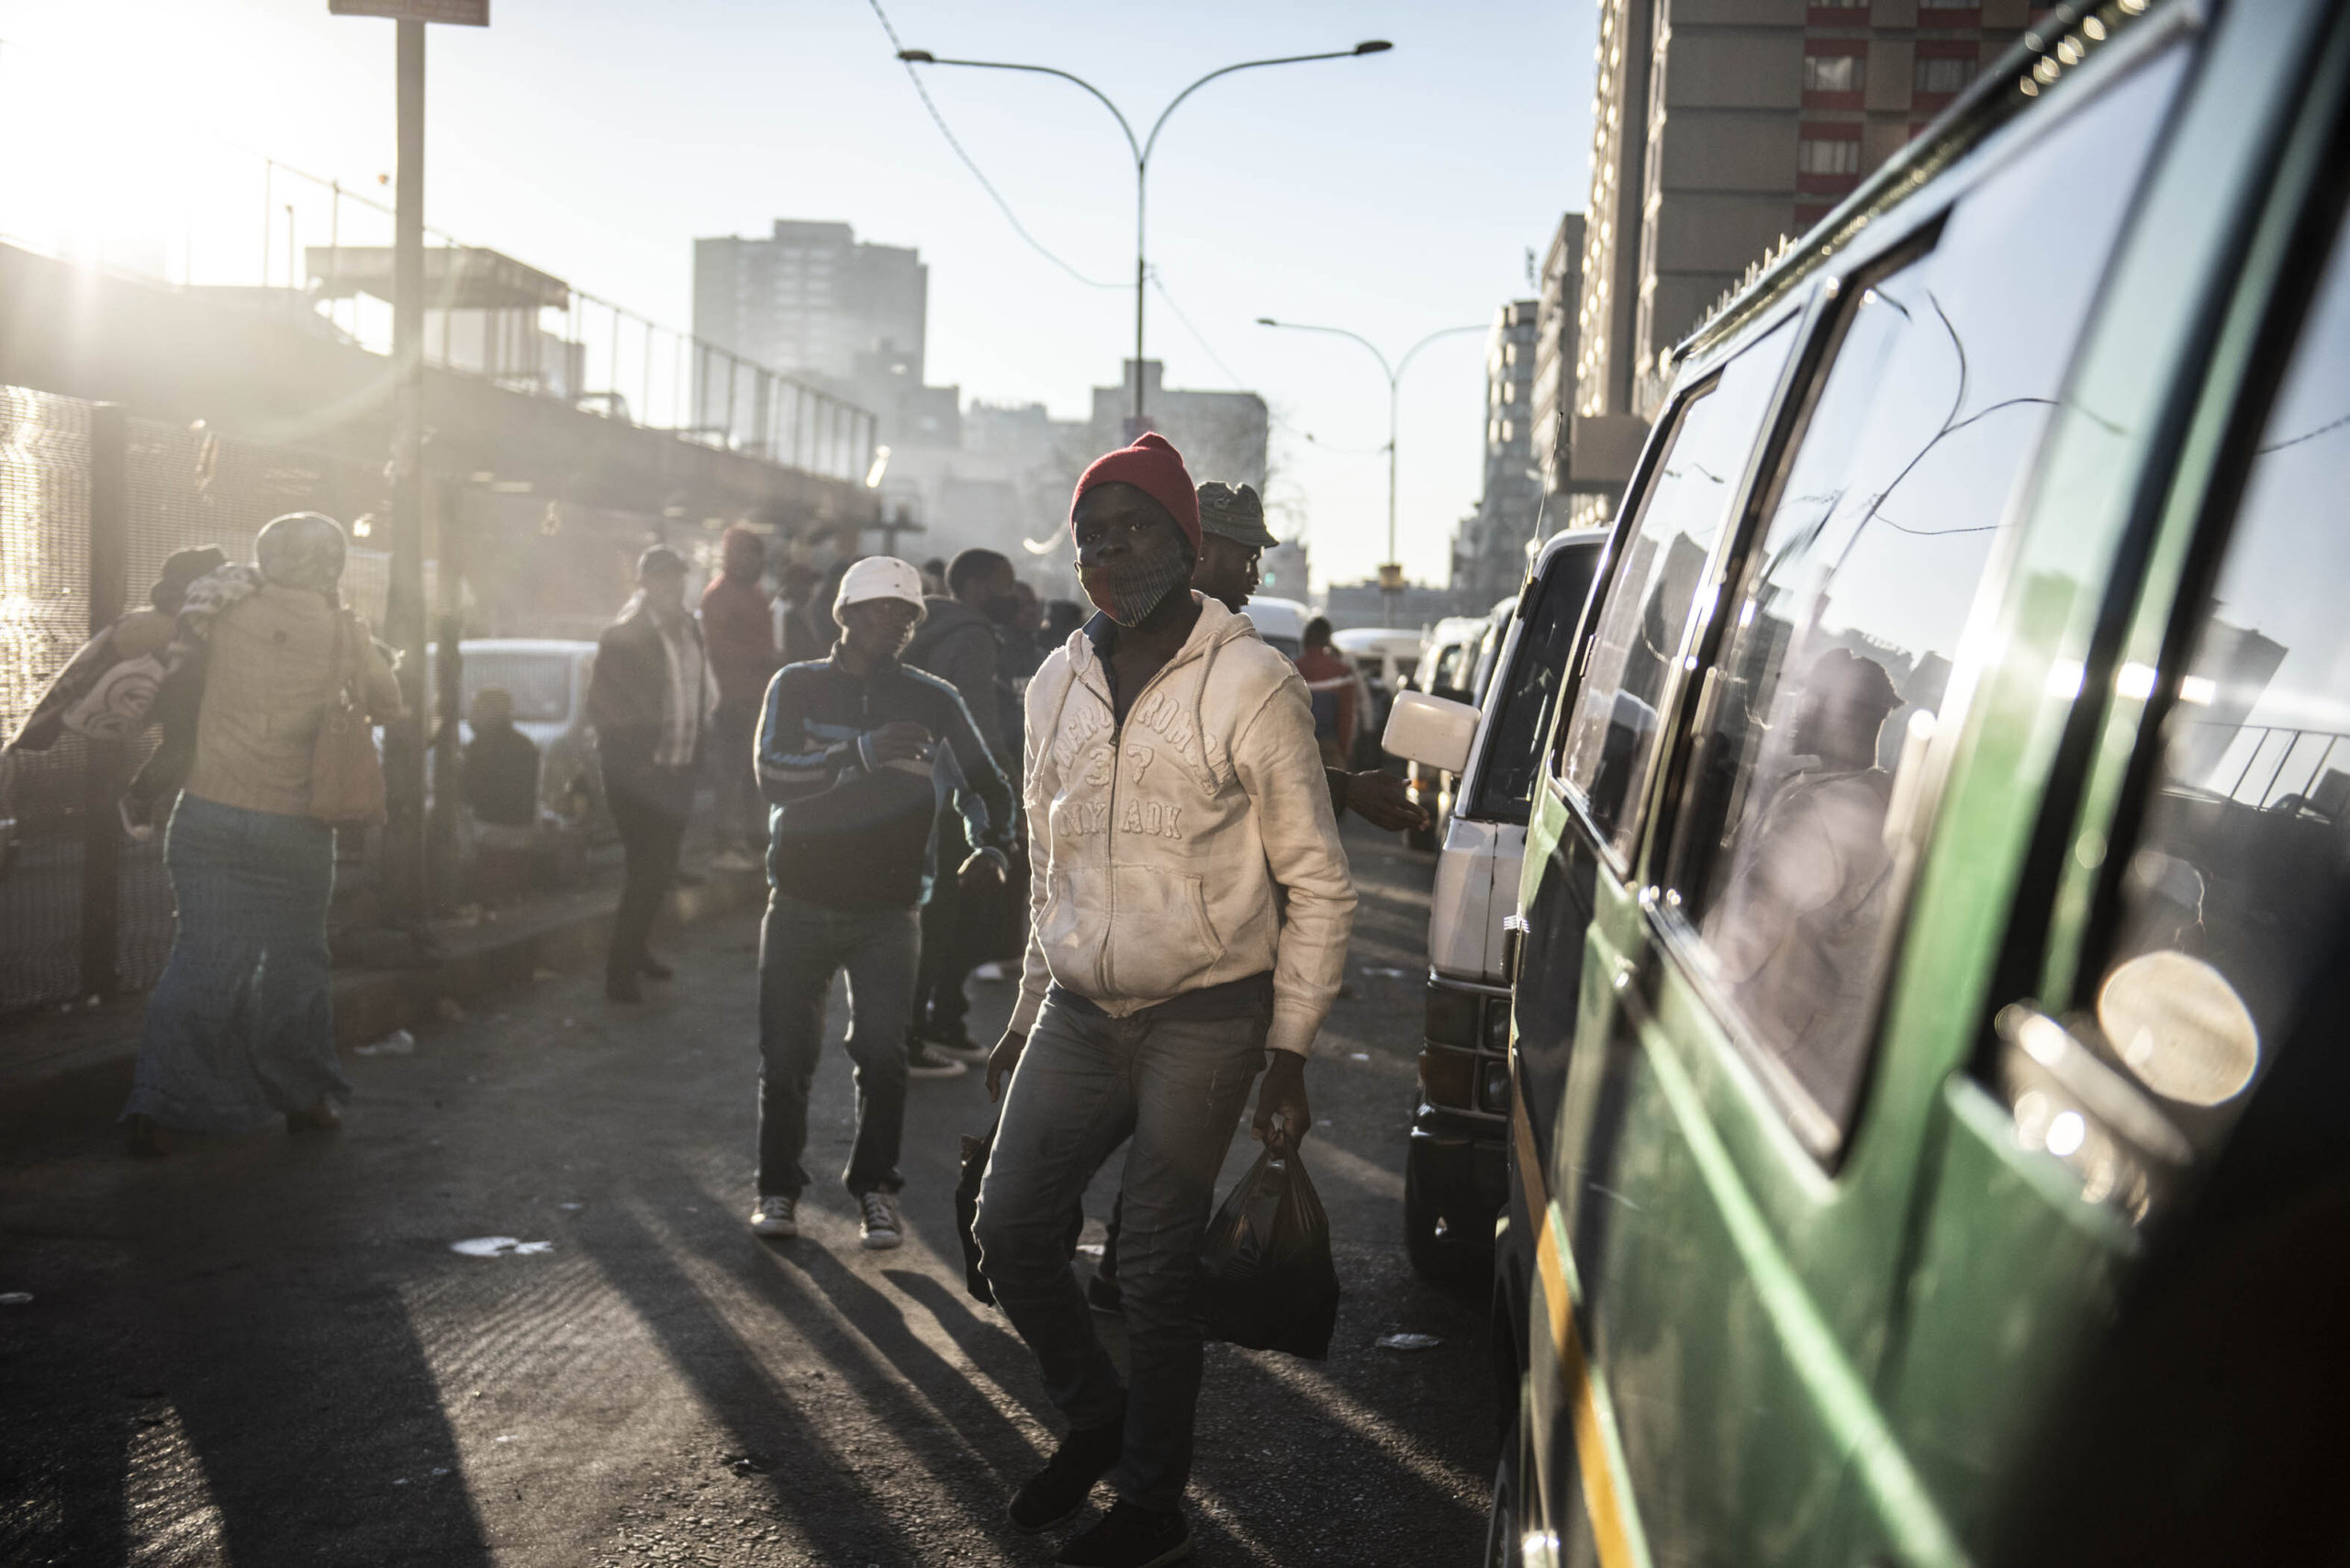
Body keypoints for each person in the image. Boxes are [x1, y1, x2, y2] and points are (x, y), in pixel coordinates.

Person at [974, 433, 1356, 1567]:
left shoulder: (1253, 681)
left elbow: (1319, 881)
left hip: (1208, 1014)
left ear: (1187, 543)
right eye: (1089, 538)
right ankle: (1095, 1417)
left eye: (1131, 531)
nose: (1105, 554)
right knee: (1009, 1232)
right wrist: (1023, 1009)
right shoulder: (1055, 681)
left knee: (1149, 1267)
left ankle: (1151, 1501)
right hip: (1082, 1009)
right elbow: (1050, 865)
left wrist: (1288, 1051)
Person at [750, 554, 1014, 1249]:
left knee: (884, 1054)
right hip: (799, 904)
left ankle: (875, 1189)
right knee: (786, 1058)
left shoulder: (933, 699)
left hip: (890, 912)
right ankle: (777, 1189)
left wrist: (991, 846)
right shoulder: (797, 687)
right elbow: (772, 775)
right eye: (883, 609)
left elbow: (987, 787)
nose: (898, 622)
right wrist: (860, 754)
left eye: (907, 613)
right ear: (846, 614)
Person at [119, 514, 399, 1159]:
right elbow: (389, 702)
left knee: (201, 959)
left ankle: (159, 1108)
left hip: (207, 816)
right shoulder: (345, 631)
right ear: (332, 566)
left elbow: (143, 637)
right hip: (294, 828)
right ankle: (301, 1096)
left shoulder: (220, 609)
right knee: (293, 964)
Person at [1192, 481, 1427, 837]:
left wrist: (1347, 787)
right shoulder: (1176, 649)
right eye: (1247, 560)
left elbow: (1264, 770)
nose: (1254, 578)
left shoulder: (1240, 655)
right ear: (1203, 550)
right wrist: (1348, 786)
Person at [6, 544, 229, 842]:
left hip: (190, 706)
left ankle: (153, 801)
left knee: (188, 747)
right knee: (184, 744)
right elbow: (95, 664)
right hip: (180, 703)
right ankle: (145, 799)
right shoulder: (166, 622)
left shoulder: (198, 616)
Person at [902, 547, 1024, 1067]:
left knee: (934, 915)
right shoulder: (971, 636)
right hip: (957, 796)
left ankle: (935, 1023)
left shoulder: (929, 627)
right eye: (1004, 583)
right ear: (975, 586)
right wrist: (1001, 789)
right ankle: (913, 1036)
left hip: (919, 788)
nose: (1012, 594)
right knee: (946, 918)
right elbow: (976, 727)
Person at [588, 545, 712, 1003]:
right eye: (662, 578)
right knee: (647, 871)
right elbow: (601, 707)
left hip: (679, 769)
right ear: (644, 585)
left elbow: (697, 692)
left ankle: (637, 952)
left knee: (658, 873)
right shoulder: (624, 635)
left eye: (677, 577)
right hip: (639, 775)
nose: (672, 585)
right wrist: (634, 762)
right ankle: (619, 972)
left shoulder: (691, 629)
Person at [699, 525, 778, 873]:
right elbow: (717, 648)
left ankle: (754, 842)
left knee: (752, 775)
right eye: (753, 556)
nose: (759, 564)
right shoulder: (719, 597)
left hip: (755, 697)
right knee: (731, 775)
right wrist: (762, 657)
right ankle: (725, 845)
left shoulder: (753, 594)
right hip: (732, 698)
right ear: (737, 557)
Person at [461, 685, 541, 904]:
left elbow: (468, 794)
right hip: (523, 828)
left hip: (491, 828)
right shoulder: (525, 743)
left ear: (491, 712)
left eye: (478, 709)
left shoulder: (480, 747)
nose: (472, 715)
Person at [1294, 616, 1358, 772]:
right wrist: (1343, 751)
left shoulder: (1292, 670)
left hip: (1297, 749)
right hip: (1331, 749)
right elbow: (1345, 719)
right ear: (1327, 639)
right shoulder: (1341, 673)